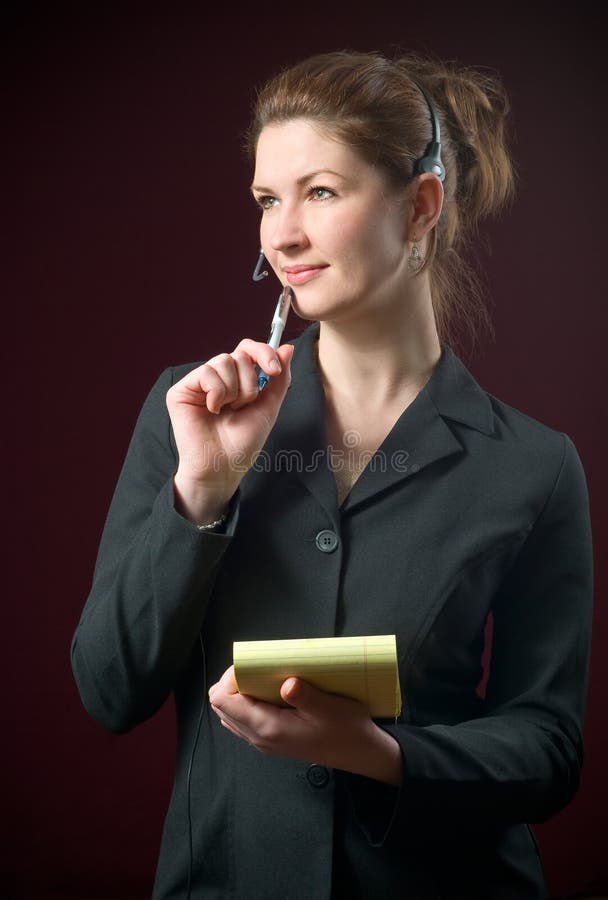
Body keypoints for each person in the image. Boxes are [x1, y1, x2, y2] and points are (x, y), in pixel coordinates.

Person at [71, 50, 594, 899]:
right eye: (267, 200)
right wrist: (201, 493)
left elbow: (549, 748)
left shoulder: (532, 467)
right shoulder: (187, 413)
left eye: (319, 192)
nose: (281, 235)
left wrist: (377, 755)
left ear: (420, 206)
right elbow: (107, 690)